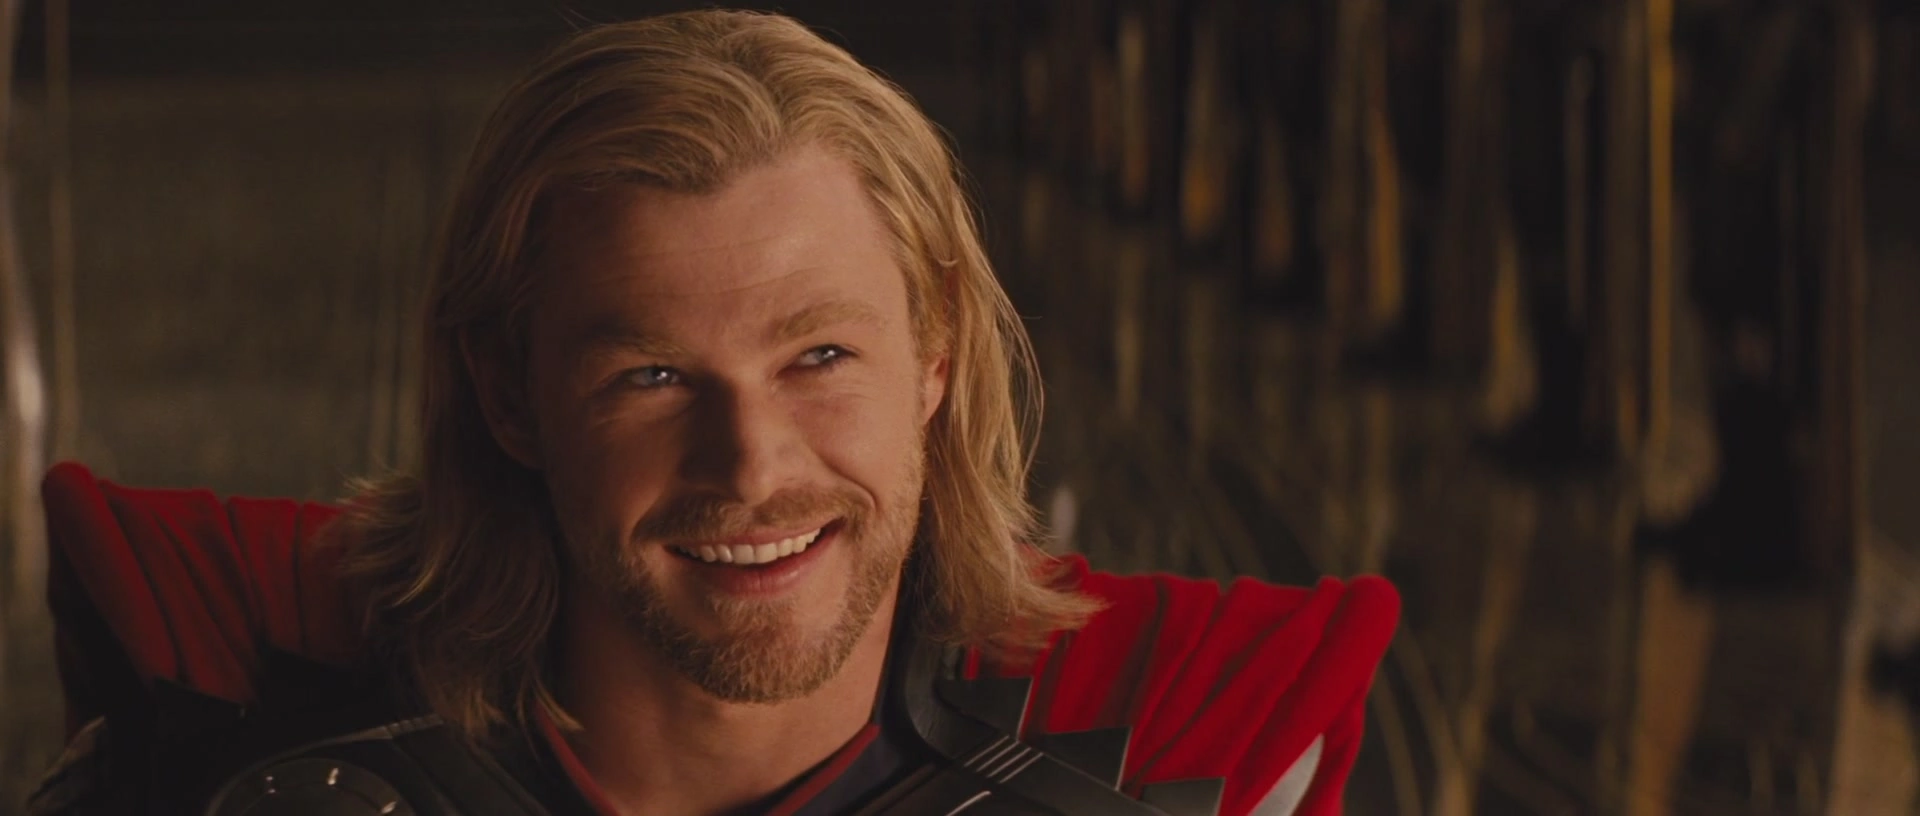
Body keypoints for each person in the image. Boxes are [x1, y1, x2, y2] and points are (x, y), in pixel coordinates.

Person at [27, 10, 1397, 815]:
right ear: (507, 393)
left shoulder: (1189, 747)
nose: (751, 465)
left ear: (935, 355)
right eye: (653, 376)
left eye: (820, 356)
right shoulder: (237, 720)